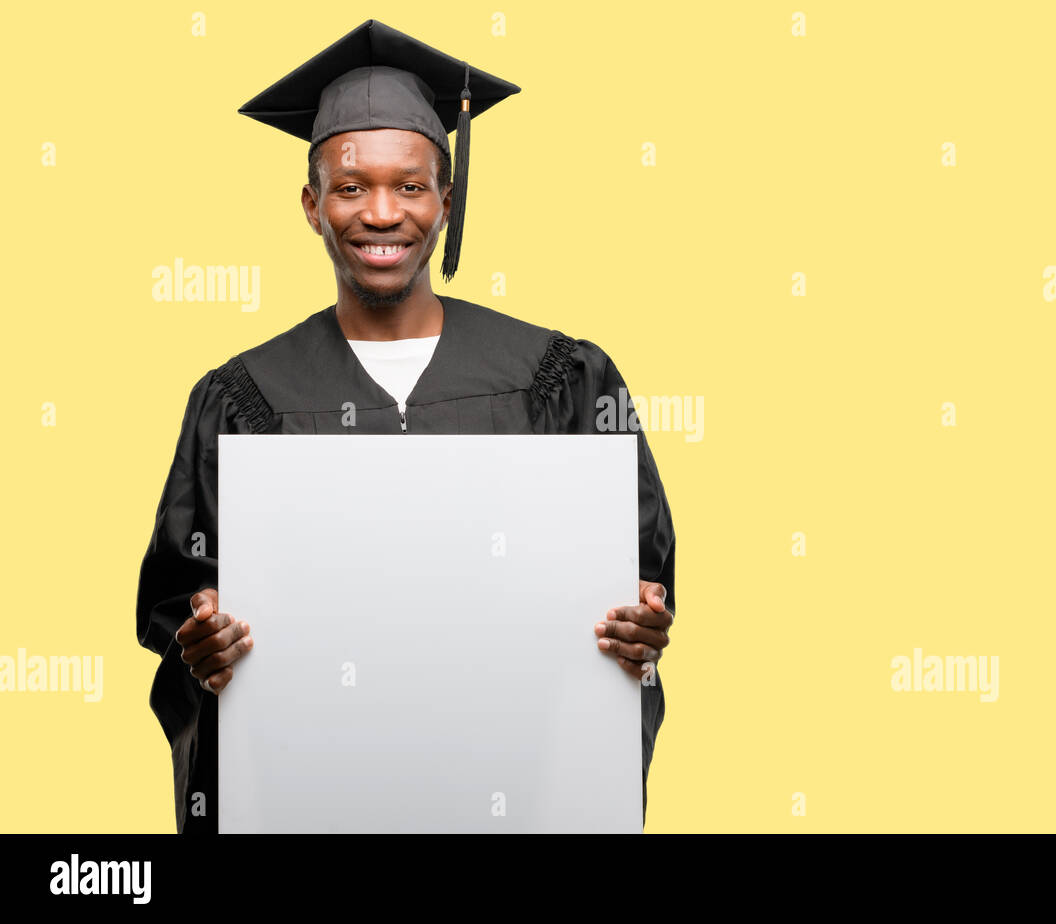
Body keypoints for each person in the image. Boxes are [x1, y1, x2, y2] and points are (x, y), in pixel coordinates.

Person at [135, 19, 677, 834]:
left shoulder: (561, 378)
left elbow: (639, 577)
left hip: (517, 798)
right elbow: (176, 598)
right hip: (312, 797)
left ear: (446, 201)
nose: (381, 214)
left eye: (410, 186)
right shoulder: (239, 397)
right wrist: (199, 636)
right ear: (312, 206)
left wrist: (642, 624)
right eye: (351, 188)